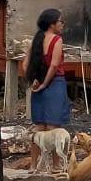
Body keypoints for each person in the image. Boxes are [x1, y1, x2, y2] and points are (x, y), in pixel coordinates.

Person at [24, 9, 70, 160]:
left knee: (39, 126)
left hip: (37, 85)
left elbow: (25, 64)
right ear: (52, 24)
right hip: (54, 83)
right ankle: (56, 165)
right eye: (61, 21)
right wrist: (45, 83)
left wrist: (34, 79)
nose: (62, 24)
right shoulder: (57, 40)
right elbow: (54, 65)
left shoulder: (36, 39)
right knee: (53, 126)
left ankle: (33, 165)